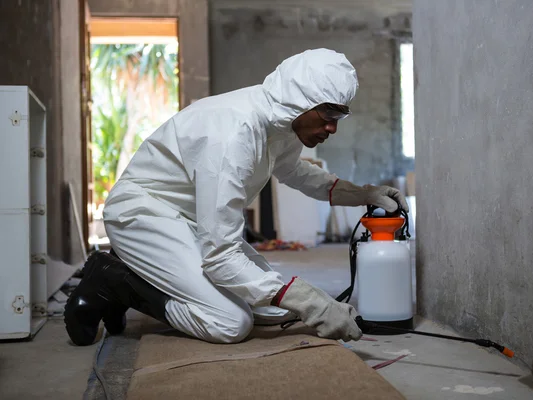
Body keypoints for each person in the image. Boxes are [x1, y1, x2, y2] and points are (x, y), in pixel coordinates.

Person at [64, 48, 408, 346]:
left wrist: (365, 194)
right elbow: (221, 255)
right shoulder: (233, 134)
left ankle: (145, 276)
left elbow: (295, 172)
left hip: (191, 219)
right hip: (143, 214)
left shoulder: (283, 121)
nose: (333, 127)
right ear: (302, 99)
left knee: (270, 307)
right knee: (230, 322)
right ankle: (113, 279)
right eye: (329, 114)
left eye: (340, 115)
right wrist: (313, 303)